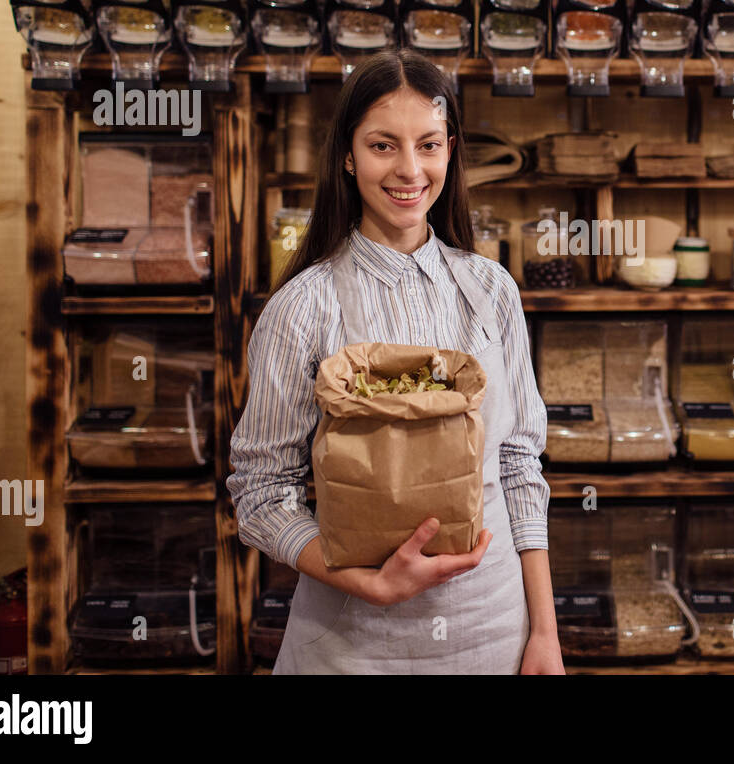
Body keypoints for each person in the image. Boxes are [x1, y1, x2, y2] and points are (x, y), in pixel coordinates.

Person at [228, 49, 562, 674]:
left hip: (492, 627)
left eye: (429, 145)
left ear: (450, 151)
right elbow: (260, 493)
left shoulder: (492, 290)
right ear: (348, 156)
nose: (411, 169)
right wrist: (364, 583)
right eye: (384, 145)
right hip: (353, 640)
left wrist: (545, 632)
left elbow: (519, 464)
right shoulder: (302, 307)